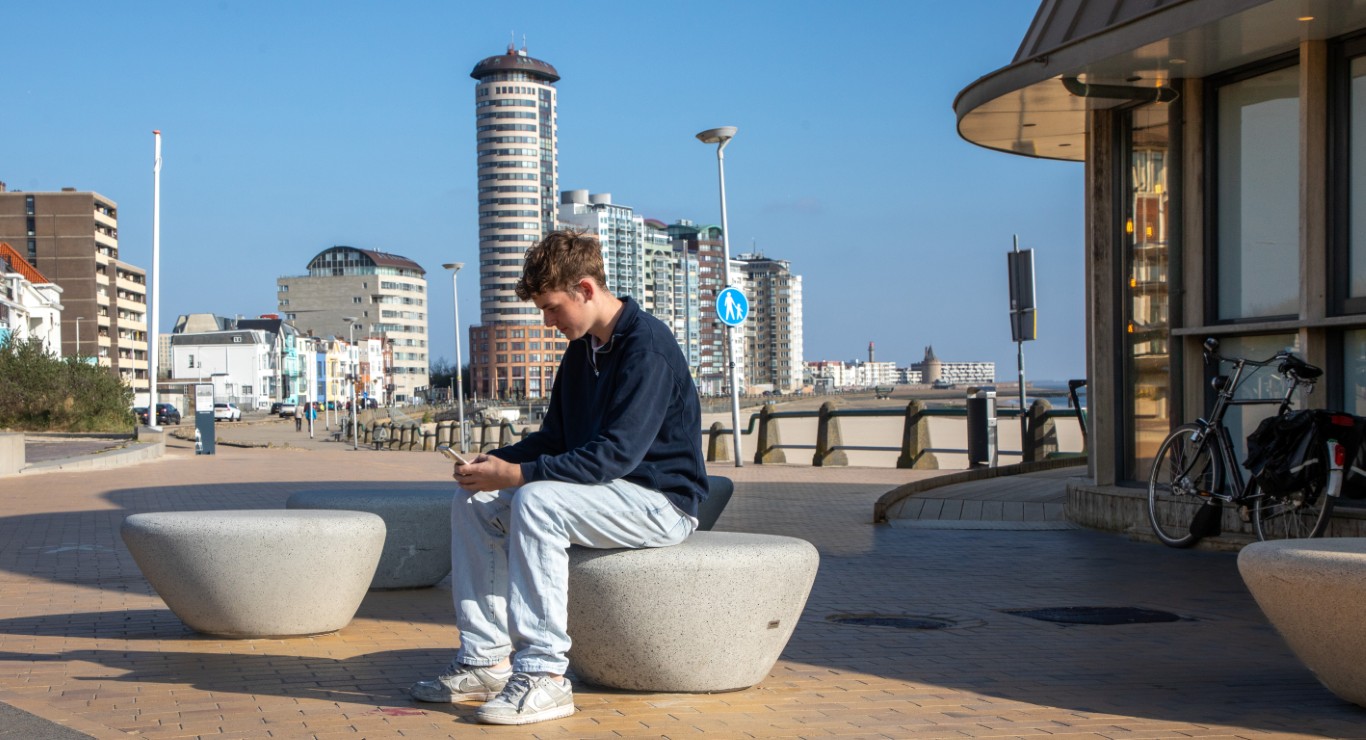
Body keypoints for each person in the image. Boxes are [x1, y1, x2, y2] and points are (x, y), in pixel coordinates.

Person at [409, 230, 708, 726]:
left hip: (661, 502)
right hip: (604, 495)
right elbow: (555, 439)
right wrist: (494, 464)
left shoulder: (647, 349)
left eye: (551, 308)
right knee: (475, 501)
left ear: (586, 289)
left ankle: (545, 676)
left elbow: (615, 456)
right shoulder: (583, 352)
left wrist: (519, 475)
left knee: (536, 500)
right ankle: (485, 661)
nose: (548, 322)